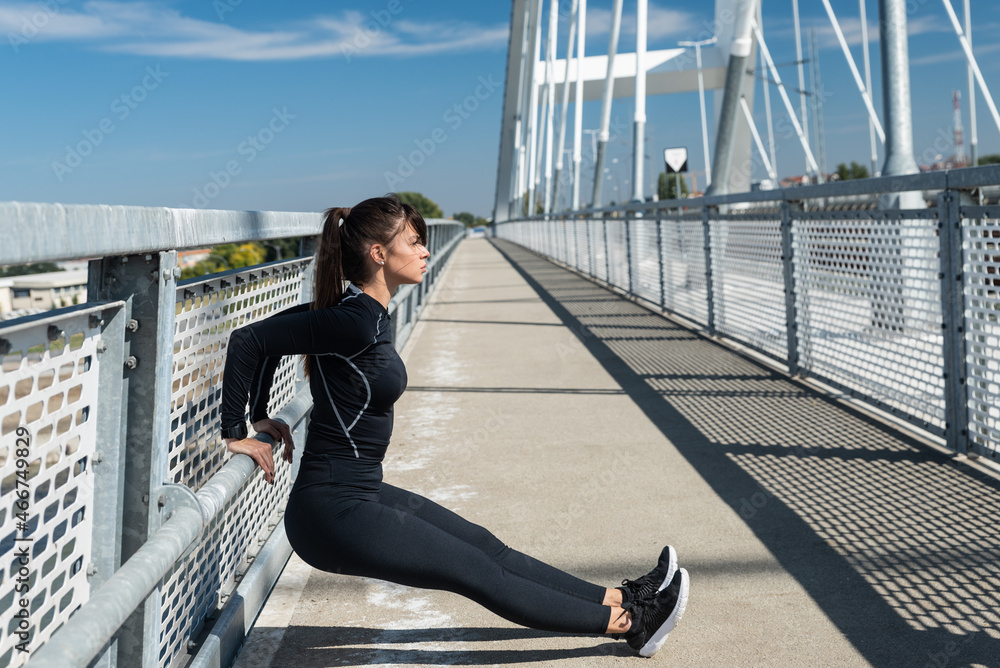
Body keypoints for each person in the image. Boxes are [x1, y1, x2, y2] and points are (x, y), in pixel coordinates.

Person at [219, 194, 690, 657]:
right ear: (379, 254)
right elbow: (248, 342)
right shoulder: (354, 322)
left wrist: (261, 412)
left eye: (424, 241)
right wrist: (237, 431)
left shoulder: (357, 313)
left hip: (360, 490)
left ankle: (619, 597)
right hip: (332, 513)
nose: (425, 250)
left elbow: (263, 344)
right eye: (414, 242)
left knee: (489, 549)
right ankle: (632, 625)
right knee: (479, 573)